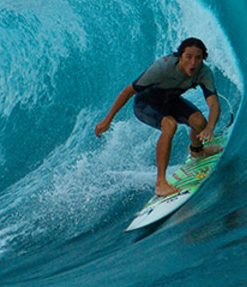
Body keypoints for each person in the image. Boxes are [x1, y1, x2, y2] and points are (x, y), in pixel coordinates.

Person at [94, 37, 223, 197]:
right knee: (169, 125)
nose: (193, 63)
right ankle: (160, 183)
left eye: (198, 58)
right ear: (180, 56)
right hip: (145, 104)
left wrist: (210, 128)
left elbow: (214, 104)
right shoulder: (163, 67)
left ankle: (197, 150)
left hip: (171, 101)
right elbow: (128, 91)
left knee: (200, 122)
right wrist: (107, 120)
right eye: (188, 57)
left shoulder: (204, 73)